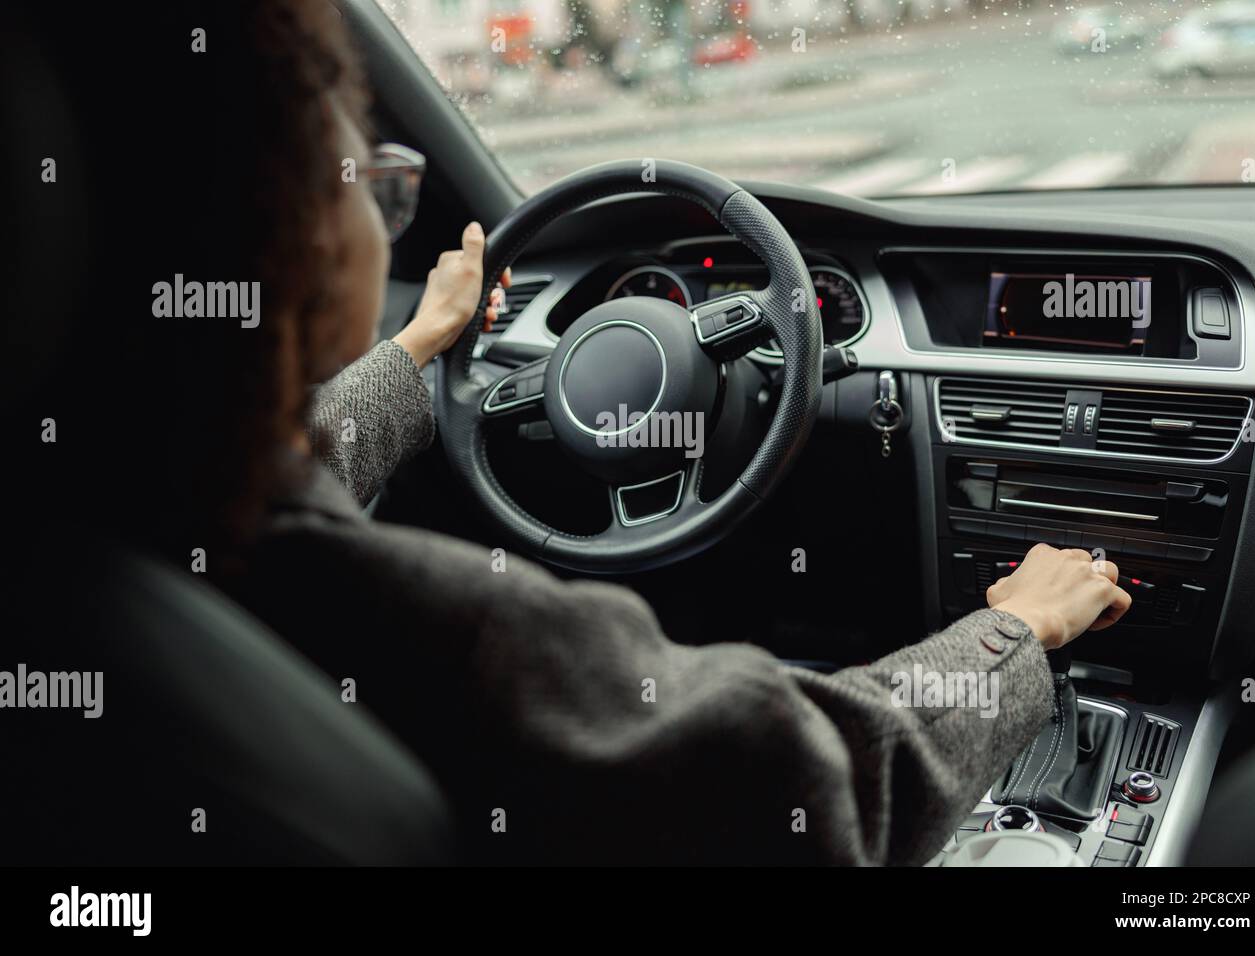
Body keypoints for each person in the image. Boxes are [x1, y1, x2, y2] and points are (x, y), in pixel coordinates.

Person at [59, 1, 1133, 864]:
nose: (389, 221)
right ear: (292, 240)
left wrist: (423, 345)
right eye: (383, 197)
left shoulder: (126, 523)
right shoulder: (460, 633)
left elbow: (297, 464)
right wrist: (1014, 631)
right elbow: (821, 787)